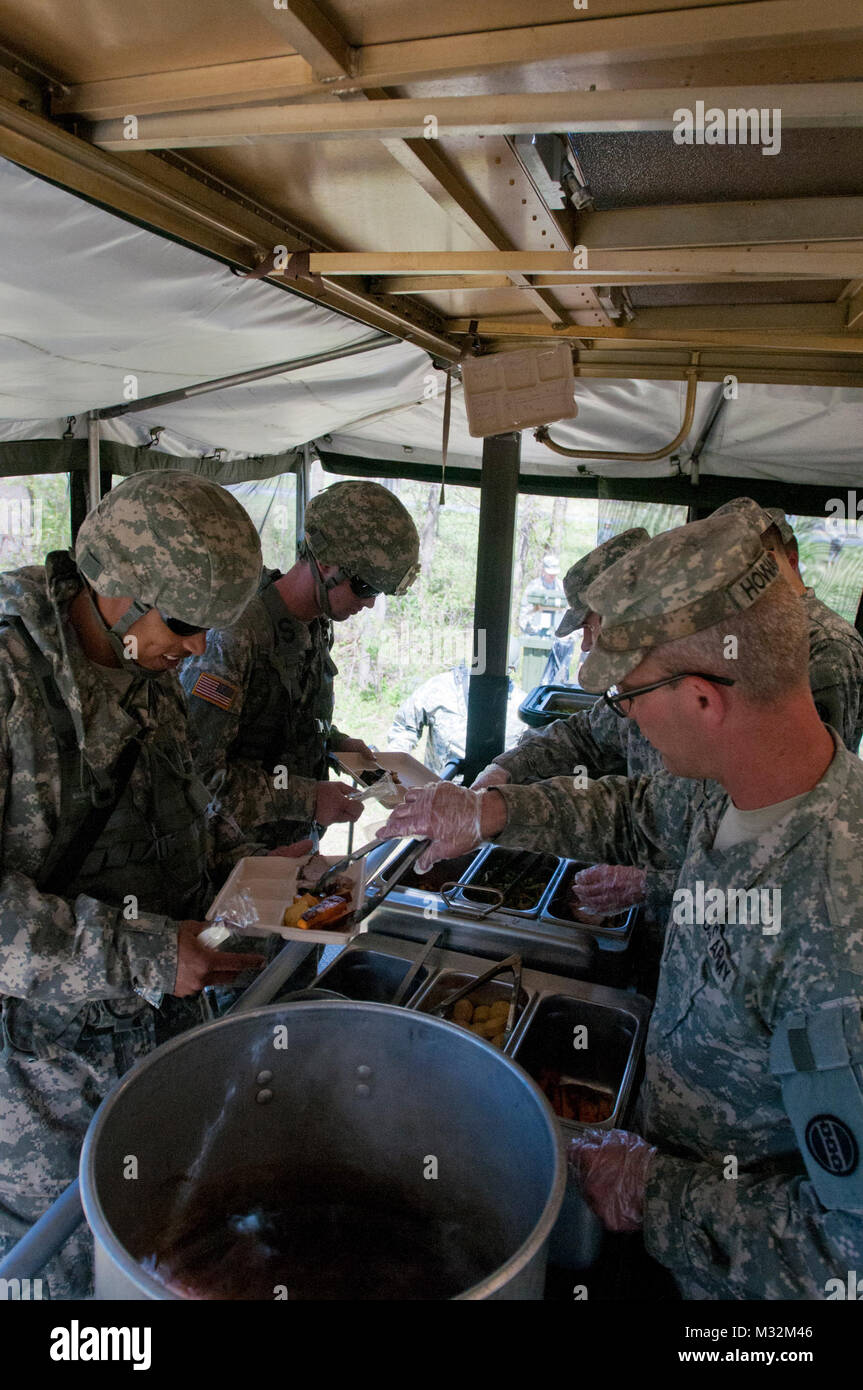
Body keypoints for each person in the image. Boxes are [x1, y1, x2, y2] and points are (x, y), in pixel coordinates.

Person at [381, 510, 863, 1300]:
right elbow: (635, 809)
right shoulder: (737, 789)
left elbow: (842, 1247)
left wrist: (655, 1192)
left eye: (630, 693)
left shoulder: (834, 926)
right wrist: (489, 812)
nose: (623, 715)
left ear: (704, 701)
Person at [0, 470, 276, 1299]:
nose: (195, 649)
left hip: (152, 1045)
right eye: (186, 624)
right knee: (74, 1278)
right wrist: (150, 953)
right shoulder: (13, 681)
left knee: (161, 1257)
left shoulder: (140, 669)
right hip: (39, 1078)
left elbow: (180, 807)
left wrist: (260, 878)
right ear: (118, 588)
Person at [181, 480, 420, 849]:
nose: (370, 604)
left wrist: (333, 742)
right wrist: (308, 799)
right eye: (365, 588)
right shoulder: (235, 636)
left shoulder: (316, 624)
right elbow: (198, 778)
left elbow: (280, 725)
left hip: (292, 848)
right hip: (232, 865)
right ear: (325, 563)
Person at [387, 657, 527, 776]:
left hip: (490, 797)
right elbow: (405, 727)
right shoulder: (440, 689)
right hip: (438, 789)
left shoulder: (521, 707)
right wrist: (395, 765)